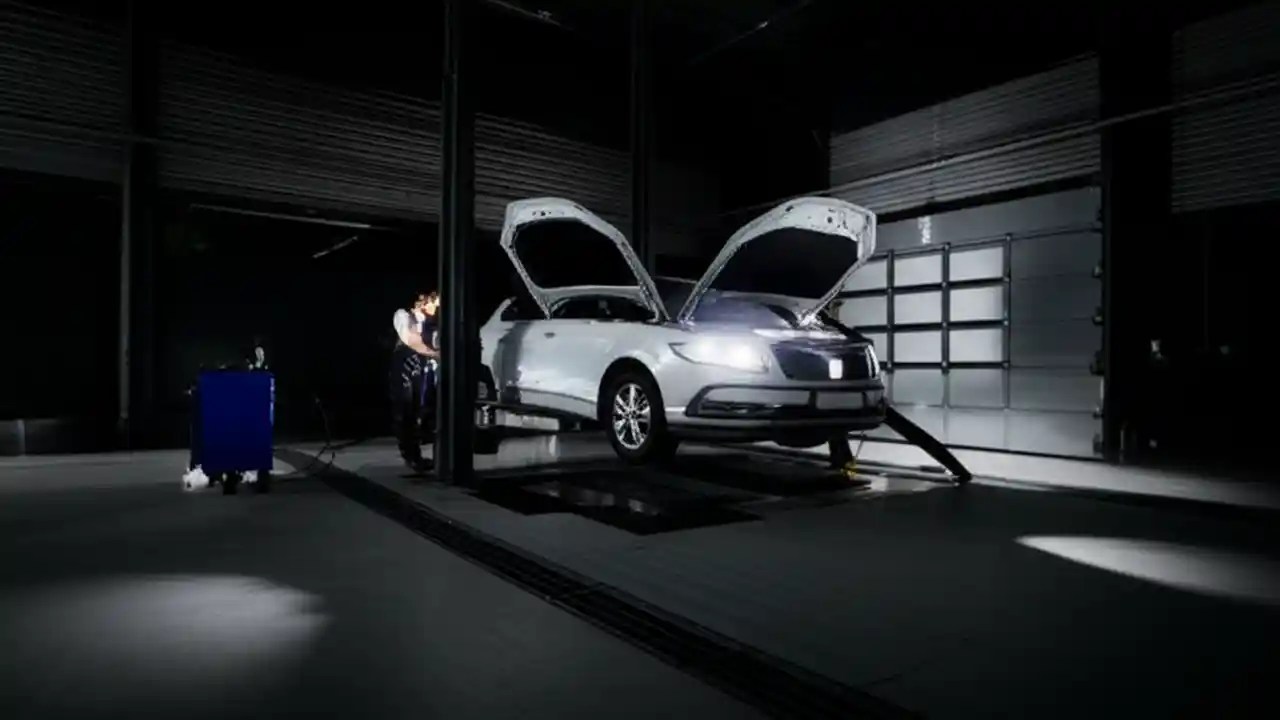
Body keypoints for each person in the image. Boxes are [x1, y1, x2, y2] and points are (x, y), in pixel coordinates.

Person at [390, 291, 440, 472]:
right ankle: (411, 455)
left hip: (424, 367)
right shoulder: (404, 316)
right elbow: (412, 340)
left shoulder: (432, 322)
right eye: (433, 301)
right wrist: (436, 354)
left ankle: (430, 451)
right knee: (406, 409)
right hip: (406, 366)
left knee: (427, 406)